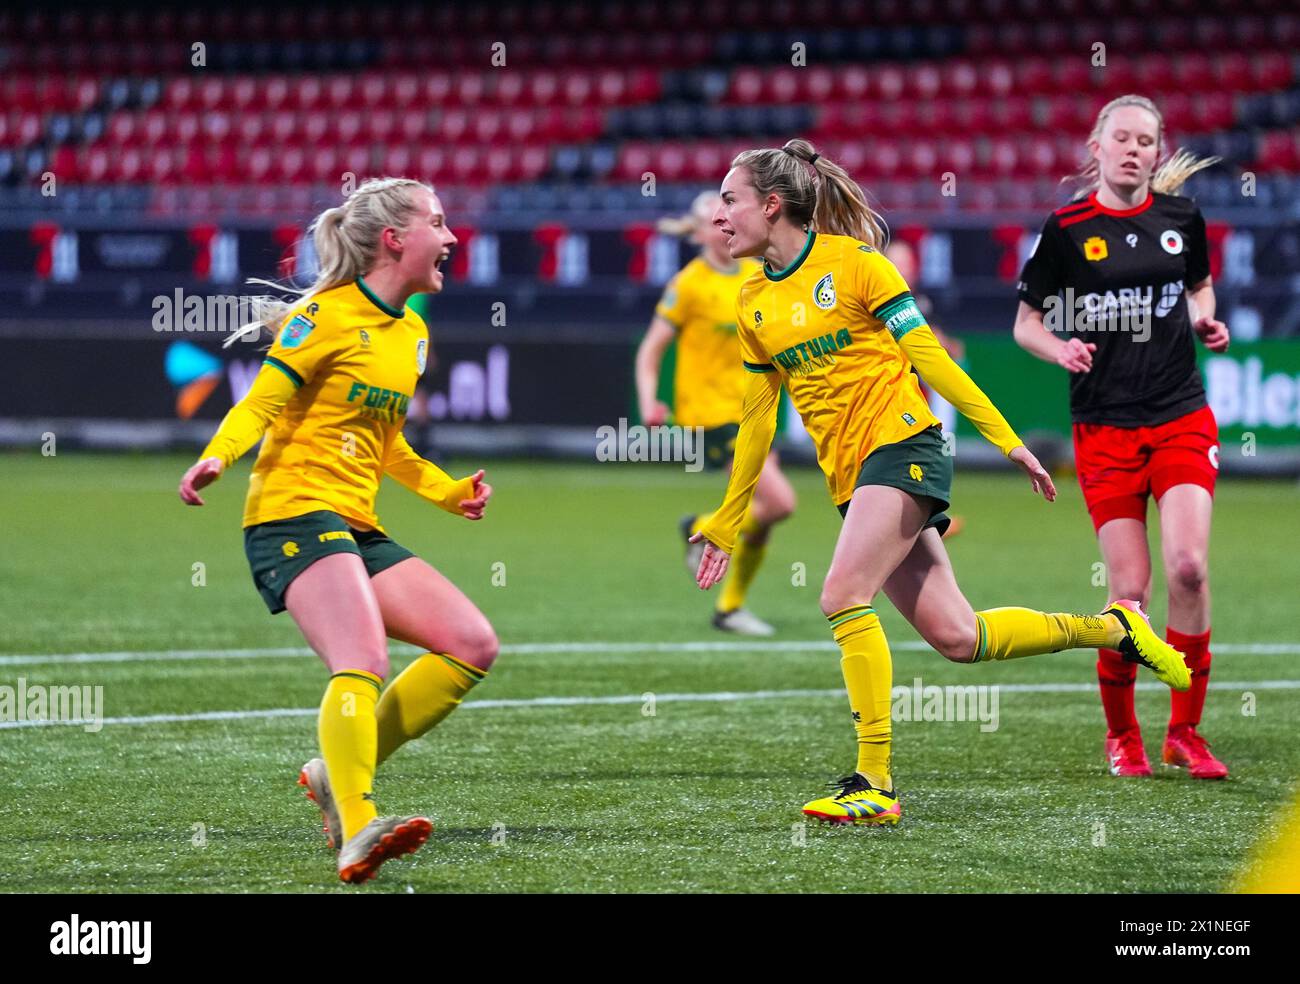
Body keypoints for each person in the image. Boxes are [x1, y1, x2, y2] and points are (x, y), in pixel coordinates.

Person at [691, 139, 1191, 826]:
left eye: (729, 199)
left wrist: (1007, 440)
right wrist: (726, 513)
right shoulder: (751, 302)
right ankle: (1114, 626)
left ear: (770, 205)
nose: (719, 216)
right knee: (959, 638)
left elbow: (929, 356)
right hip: (852, 475)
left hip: (904, 446)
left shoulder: (857, 265)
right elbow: (756, 424)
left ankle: (874, 782)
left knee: (841, 595)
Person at [178, 177, 498, 882]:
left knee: (472, 644)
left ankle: (334, 770)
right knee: (363, 656)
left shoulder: (411, 331)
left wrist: (447, 492)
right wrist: (216, 457)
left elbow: (387, 445)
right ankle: (359, 825)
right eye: (438, 223)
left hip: (354, 521)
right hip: (291, 514)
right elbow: (261, 403)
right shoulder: (322, 317)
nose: (451, 238)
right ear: (394, 240)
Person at [1013, 94, 1229, 780]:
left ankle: (1185, 732)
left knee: (1189, 568)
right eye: (1123, 138)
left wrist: (1203, 319)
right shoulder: (1068, 227)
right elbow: (1026, 324)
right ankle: (1123, 735)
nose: (1135, 149)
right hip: (1103, 428)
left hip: (1178, 414)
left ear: (1158, 153)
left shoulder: (1181, 219)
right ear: (1097, 147)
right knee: (1129, 593)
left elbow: (1200, 286)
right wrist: (1060, 350)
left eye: (1147, 140)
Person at [635, 191, 796, 635]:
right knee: (780, 503)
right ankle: (704, 528)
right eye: (712, 220)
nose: (722, 225)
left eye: (726, 216)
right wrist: (649, 399)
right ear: (700, 231)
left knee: (761, 519)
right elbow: (650, 351)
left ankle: (729, 607)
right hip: (711, 415)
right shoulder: (689, 284)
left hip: (757, 409)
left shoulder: (754, 272)